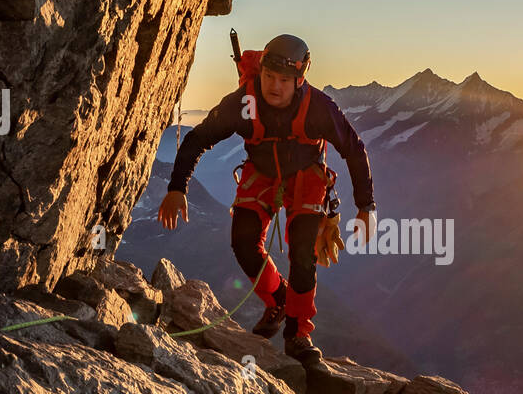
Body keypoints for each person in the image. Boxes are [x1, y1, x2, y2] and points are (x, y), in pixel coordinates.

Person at [157, 33, 376, 365]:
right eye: (269, 77)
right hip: (261, 172)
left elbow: (354, 150)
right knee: (243, 241)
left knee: (303, 252)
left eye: (284, 80)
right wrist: (177, 188)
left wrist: (366, 206)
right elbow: (198, 138)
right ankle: (278, 298)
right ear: (261, 72)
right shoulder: (244, 102)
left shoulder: (318, 107)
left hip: (306, 177)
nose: (274, 86)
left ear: (299, 79)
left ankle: (298, 333)